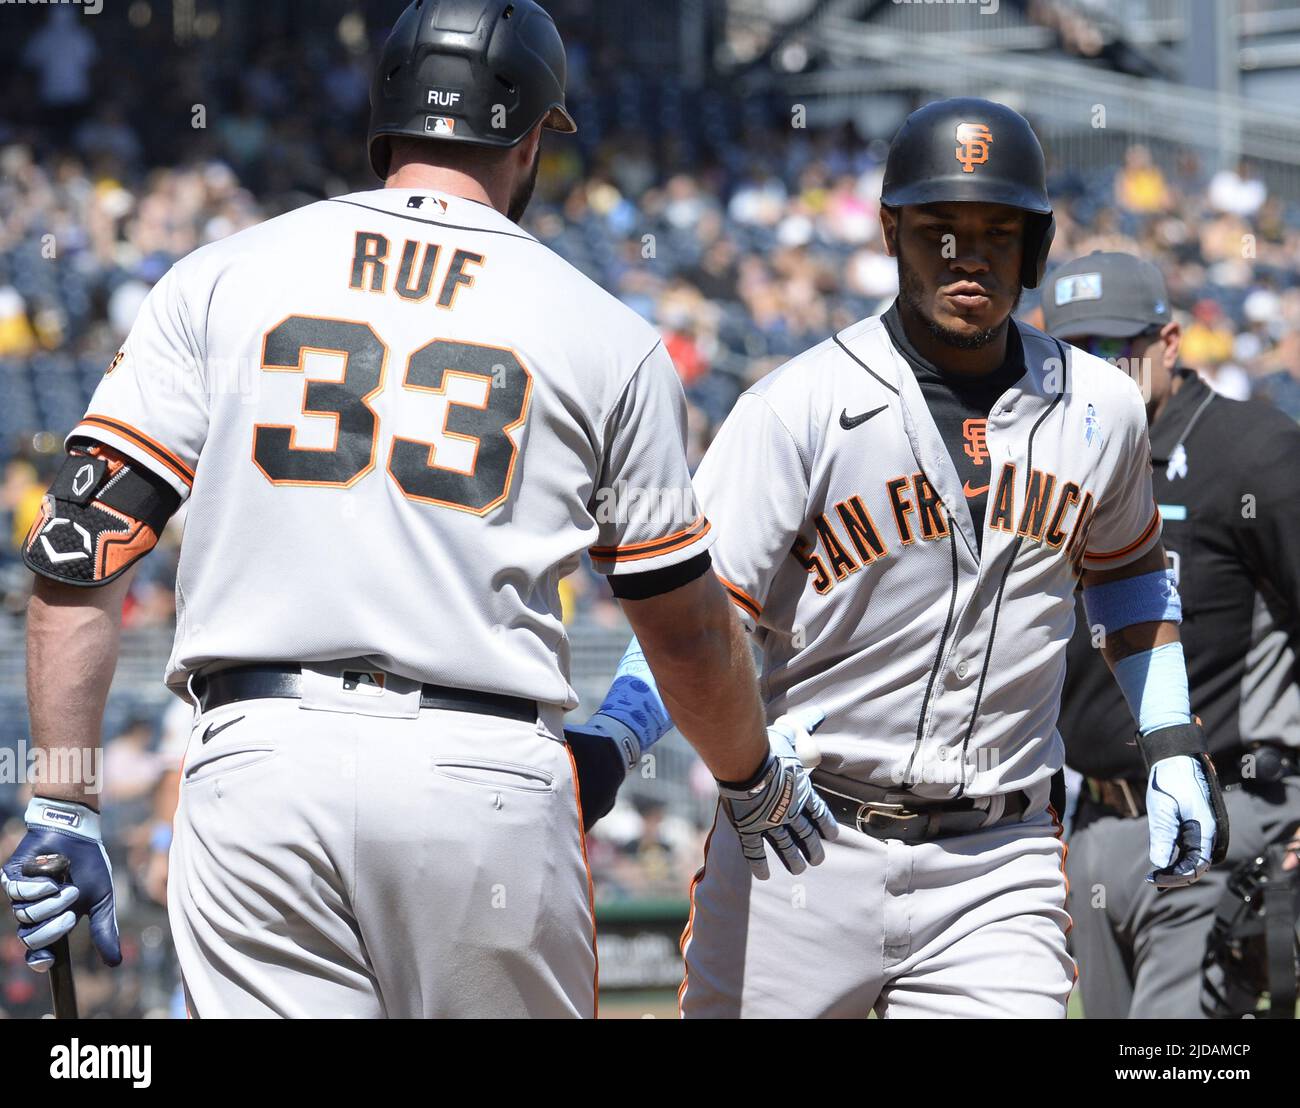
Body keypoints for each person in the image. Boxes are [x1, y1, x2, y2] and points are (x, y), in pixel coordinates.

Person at [1, 0, 832, 1019]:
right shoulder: (605, 332)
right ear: (531, 137)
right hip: (479, 777)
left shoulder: (219, 275)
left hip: (263, 767)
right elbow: (687, 628)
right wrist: (749, 776)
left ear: (384, 118)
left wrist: (64, 796)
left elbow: (80, 552)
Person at [575, 98, 1226, 1018]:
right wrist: (614, 739)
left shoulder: (1101, 408)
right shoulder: (797, 406)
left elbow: (1124, 575)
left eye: (997, 231)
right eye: (939, 230)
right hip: (802, 832)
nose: (968, 255)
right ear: (890, 232)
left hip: (998, 863)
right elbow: (700, 614)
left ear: (1034, 247)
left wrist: (1170, 739)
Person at [1046, 250, 1300, 1019]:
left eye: (1116, 345)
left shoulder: (1251, 450)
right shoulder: (1047, 461)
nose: (1097, 366)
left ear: (1170, 341)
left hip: (1226, 812)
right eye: (1073, 349)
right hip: (1091, 827)